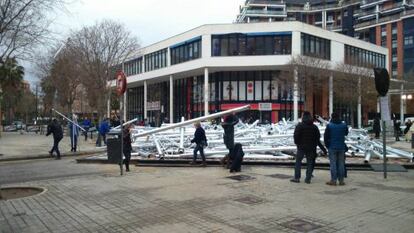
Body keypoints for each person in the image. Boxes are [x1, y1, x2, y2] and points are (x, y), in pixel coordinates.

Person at [290, 111, 321, 184]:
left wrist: (297, 143)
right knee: (310, 163)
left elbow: (296, 136)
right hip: (311, 147)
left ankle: (297, 177)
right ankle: (308, 179)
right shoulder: (314, 127)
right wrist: (314, 145)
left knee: (298, 162)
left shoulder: (300, 126)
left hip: (301, 147)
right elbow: (318, 137)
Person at [324, 112, 349, 186]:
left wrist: (327, 145)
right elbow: (346, 133)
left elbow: (326, 137)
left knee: (333, 164)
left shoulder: (329, 126)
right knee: (341, 164)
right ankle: (341, 180)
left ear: (332, 117)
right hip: (341, 147)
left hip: (332, 147)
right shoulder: (344, 125)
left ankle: (333, 180)